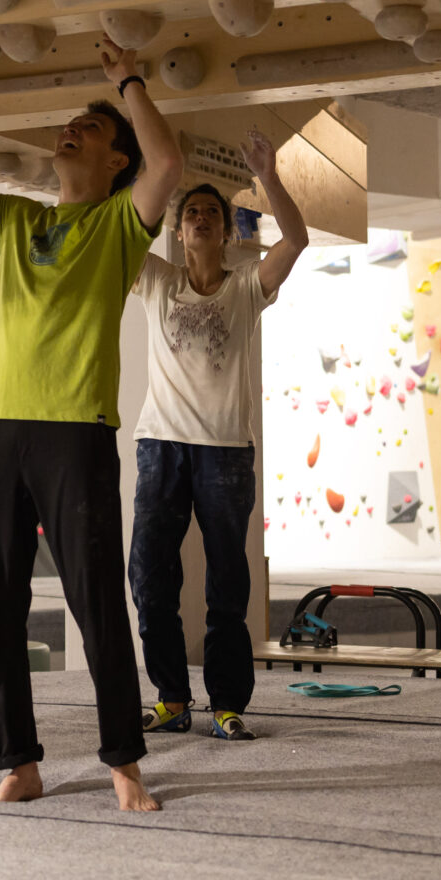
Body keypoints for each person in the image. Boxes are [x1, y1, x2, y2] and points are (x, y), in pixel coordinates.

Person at [0, 43, 183, 812]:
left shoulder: (122, 225)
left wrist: (128, 83)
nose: (70, 130)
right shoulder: (16, 221)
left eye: (90, 128)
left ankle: (124, 762)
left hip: (71, 431)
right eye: (71, 123)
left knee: (94, 602)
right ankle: (18, 762)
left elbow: (167, 164)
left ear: (115, 156)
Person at [127, 134, 306, 743]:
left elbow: (298, 241)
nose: (200, 219)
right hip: (161, 448)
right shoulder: (153, 281)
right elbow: (121, 230)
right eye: (190, 214)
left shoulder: (246, 287)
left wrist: (269, 175)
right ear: (176, 232)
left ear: (227, 230)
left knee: (228, 583)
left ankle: (227, 703)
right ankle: (172, 698)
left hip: (227, 454)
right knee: (150, 575)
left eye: (211, 213)